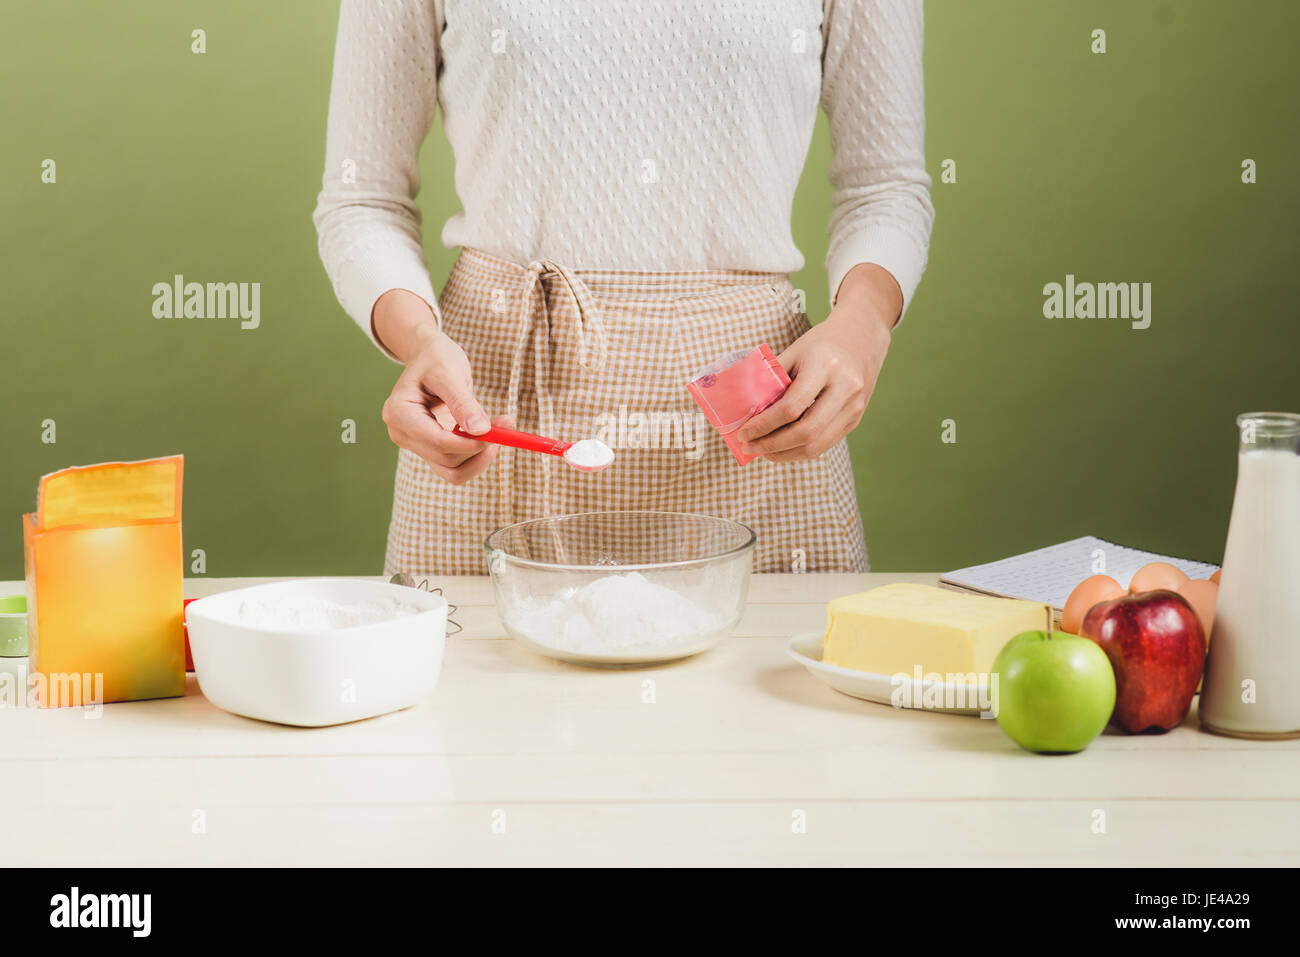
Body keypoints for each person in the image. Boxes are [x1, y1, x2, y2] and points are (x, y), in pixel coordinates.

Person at [313, 0, 934, 575]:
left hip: (755, 418)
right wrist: (418, 339)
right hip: (493, 406)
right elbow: (363, 198)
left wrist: (861, 328)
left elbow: (884, 187)